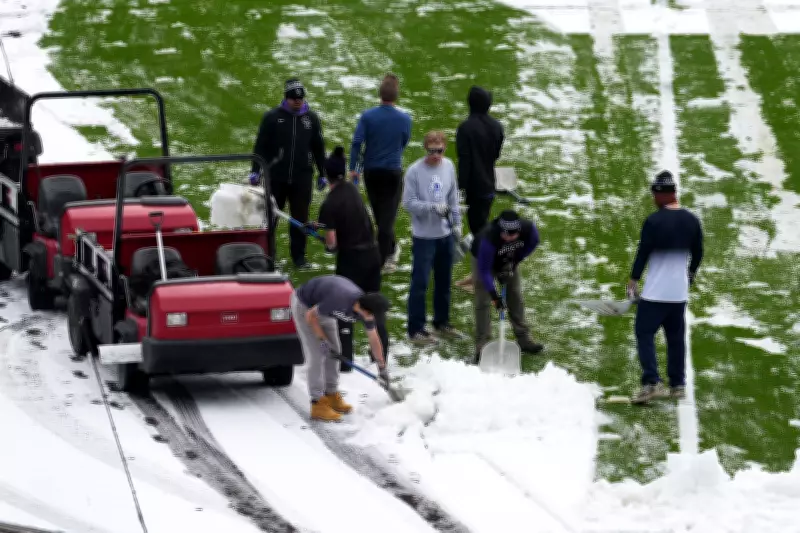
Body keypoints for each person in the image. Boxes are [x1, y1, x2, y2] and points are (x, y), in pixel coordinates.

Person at [628, 170, 704, 405]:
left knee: (644, 331)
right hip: (678, 293)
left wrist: (633, 279)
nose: (653, 198)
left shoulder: (654, 221)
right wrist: (689, 274)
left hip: (655, 293)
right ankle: (677, 384)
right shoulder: (692, 220)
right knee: (675, 337)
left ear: (661, 195)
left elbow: (643, 253)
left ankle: (652, 382)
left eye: (654, 194)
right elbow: (698, 253)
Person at [313, 145, 389, 372]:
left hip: (351, 260)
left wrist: (328, 245)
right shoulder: (353, 191)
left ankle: (345, 359)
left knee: (345, 306)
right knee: (373, 305)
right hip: (372, 255)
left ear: (326, 177)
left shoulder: (329, 203)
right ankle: (381, 354)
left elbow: (332, 243)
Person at [249, 78, 326, 269]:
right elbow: (261, 146)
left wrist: (322, 173)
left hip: (302, 179)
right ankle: (267, 256)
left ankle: (299, 258)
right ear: (286, 98)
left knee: (300, 220)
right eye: (293, 98)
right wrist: (255, 170)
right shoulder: (272, 118)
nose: (297, 102)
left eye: (300, 98)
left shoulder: (312, 119)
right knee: (271, 218)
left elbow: (318, 149)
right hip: (276, 177)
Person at [291, 275, 391, 422]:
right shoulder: (339, 299)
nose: (371, 319)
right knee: (317, 355)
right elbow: (311, 316)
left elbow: (374, 339)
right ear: (364, 310)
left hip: (325, 310)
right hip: (305, 307)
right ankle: (317, 403)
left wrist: (382, 368)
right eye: (371, 316)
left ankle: (331, 394)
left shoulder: (365, 311)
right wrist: (322, 341)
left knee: (335, 352)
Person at [401, 130, 463, 346]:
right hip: (424, 237)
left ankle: (442, 322)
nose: (436, 155)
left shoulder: (449, 167)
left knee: (444, 281)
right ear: (425, 149)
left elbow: (453, 198)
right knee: (420, 283)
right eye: (431, 151)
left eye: (440, 150)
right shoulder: (414, 171)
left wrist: (457, 224)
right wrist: (431, 208)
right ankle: (416, 328)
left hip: (445, 235)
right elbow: (408, 203)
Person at [349, 74, 413, 274]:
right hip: (392, 171)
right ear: (397, 95)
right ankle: (387, 253)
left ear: (380, 94)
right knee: (385, 218)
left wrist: (354, 168)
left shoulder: (368, 117)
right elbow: (404, 142)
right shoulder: (405, 119)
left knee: (382, 218)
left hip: (371, 171)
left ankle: (382, 258)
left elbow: (357, 143)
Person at [472, 210, 544, 363]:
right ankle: (482, 344)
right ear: (501, 231)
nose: (509, 238)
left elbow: (533, 242)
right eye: (506, 235)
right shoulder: (489, 238)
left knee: (515, 295)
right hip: (484, 261)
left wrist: (514, 262)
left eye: (513, 235)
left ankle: (524, 339)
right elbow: (484, 272)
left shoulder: (528, 229)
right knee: (483, 300)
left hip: (509, 258)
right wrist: (495, 298)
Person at [454, 86, 505, 292]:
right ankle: (478, 273)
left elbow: (464, 160)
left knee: (479, 230)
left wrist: (459, 189)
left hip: (474, 186)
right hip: (489, 183)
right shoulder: (497, 126)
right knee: (480, 227)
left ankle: (484, 274)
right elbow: (496, 155)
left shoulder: (465, 128)